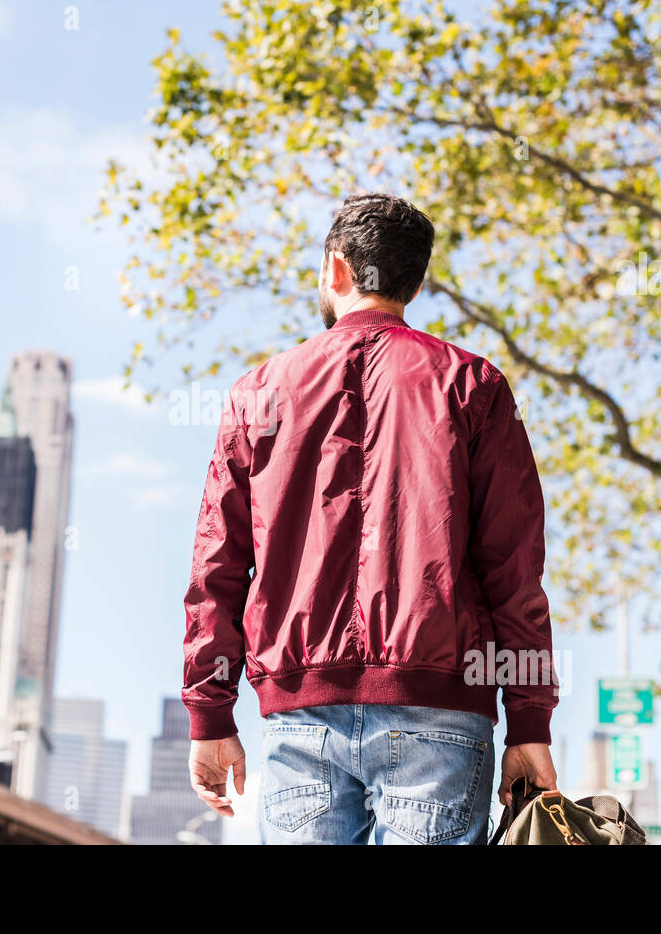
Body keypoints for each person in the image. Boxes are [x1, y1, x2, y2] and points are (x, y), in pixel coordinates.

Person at [181, 193, 558, 844]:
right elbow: (515, 573)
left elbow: (216, 566)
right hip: (440, 708)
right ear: (412, 282)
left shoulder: (258, 394)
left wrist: (209, 715)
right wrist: (529, 723)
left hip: (302, 721)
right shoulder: (473, 385)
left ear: (335, 271)